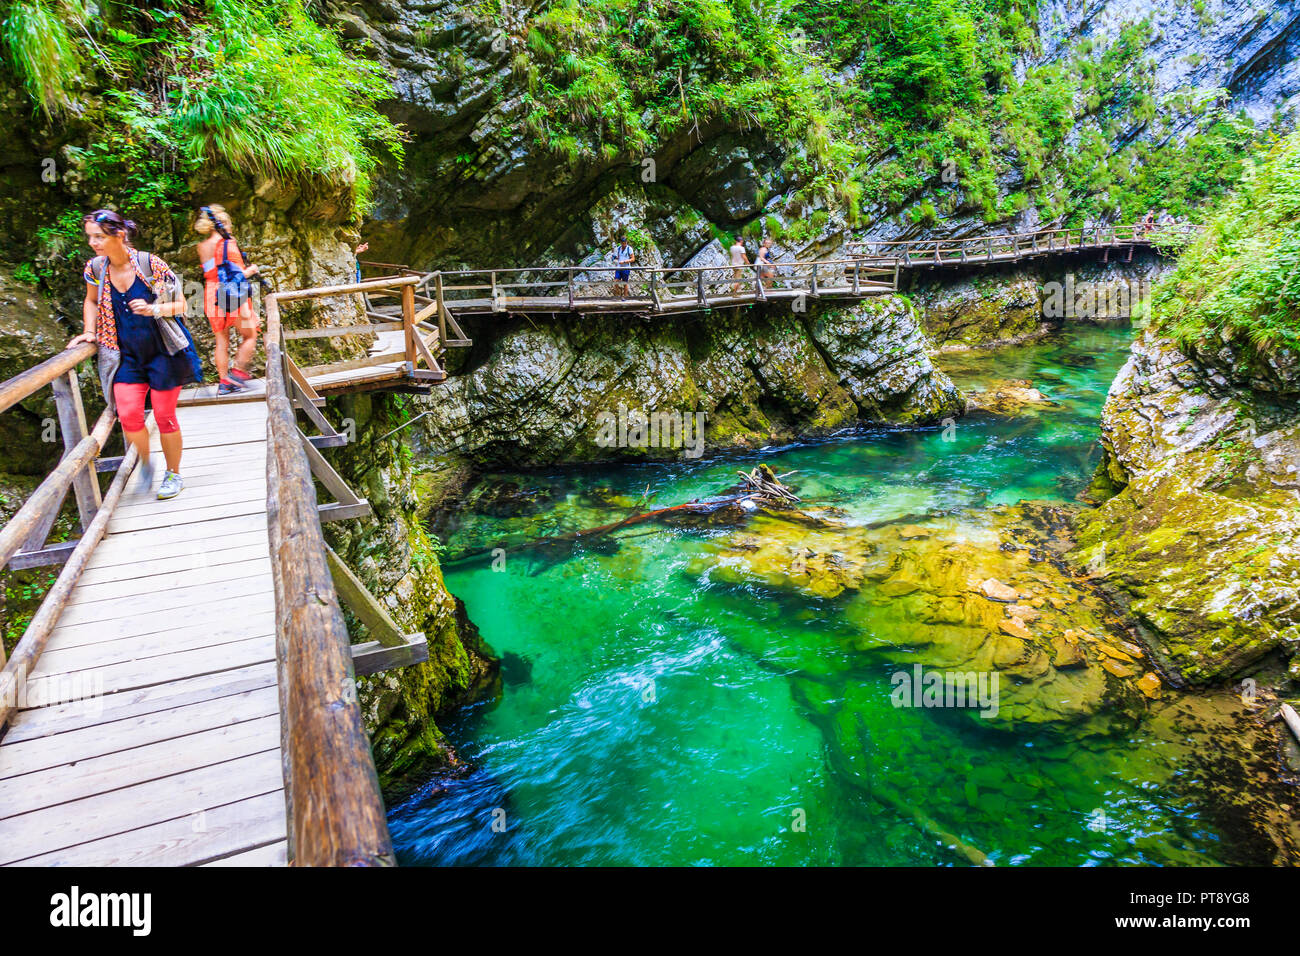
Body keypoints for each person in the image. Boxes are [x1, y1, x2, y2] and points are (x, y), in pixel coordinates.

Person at [67, 209, 202, 500]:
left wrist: (154, 308)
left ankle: (173, 474)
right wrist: (90, 332)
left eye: (99, 237)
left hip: (163, 352)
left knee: (165, 417)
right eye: (90, 237)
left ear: (118, 235)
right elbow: (91, 302)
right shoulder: (96, 269)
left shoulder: (150, 265)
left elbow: (180, 305)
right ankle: (145, 464)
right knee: (128, 416)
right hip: (123, 355)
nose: (93, 243)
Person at [195, 204, 260, 395]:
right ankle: (237, 374)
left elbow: (212, 272)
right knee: (250, 335)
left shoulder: (202, 246)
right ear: (223, 224)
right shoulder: (227, 243)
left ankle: (224, 382)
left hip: (211, 293)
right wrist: (252, 270)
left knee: (221, 340)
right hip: (230, 293)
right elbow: (238, 275)